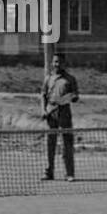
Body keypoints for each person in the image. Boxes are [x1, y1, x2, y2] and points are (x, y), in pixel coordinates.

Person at [42, 51, 80, 181]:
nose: (57, 64)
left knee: (67, 143)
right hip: (51, 112)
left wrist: (69, 98)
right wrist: (43, 110)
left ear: (64, 64)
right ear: (52, 63)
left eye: (60, 62)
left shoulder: (70, 79)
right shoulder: (48, 78)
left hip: (64, 112)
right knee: (49, 143)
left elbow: (75, 96)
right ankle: (49, 172)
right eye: (55, 61)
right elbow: (43, 95)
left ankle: (69, 173)